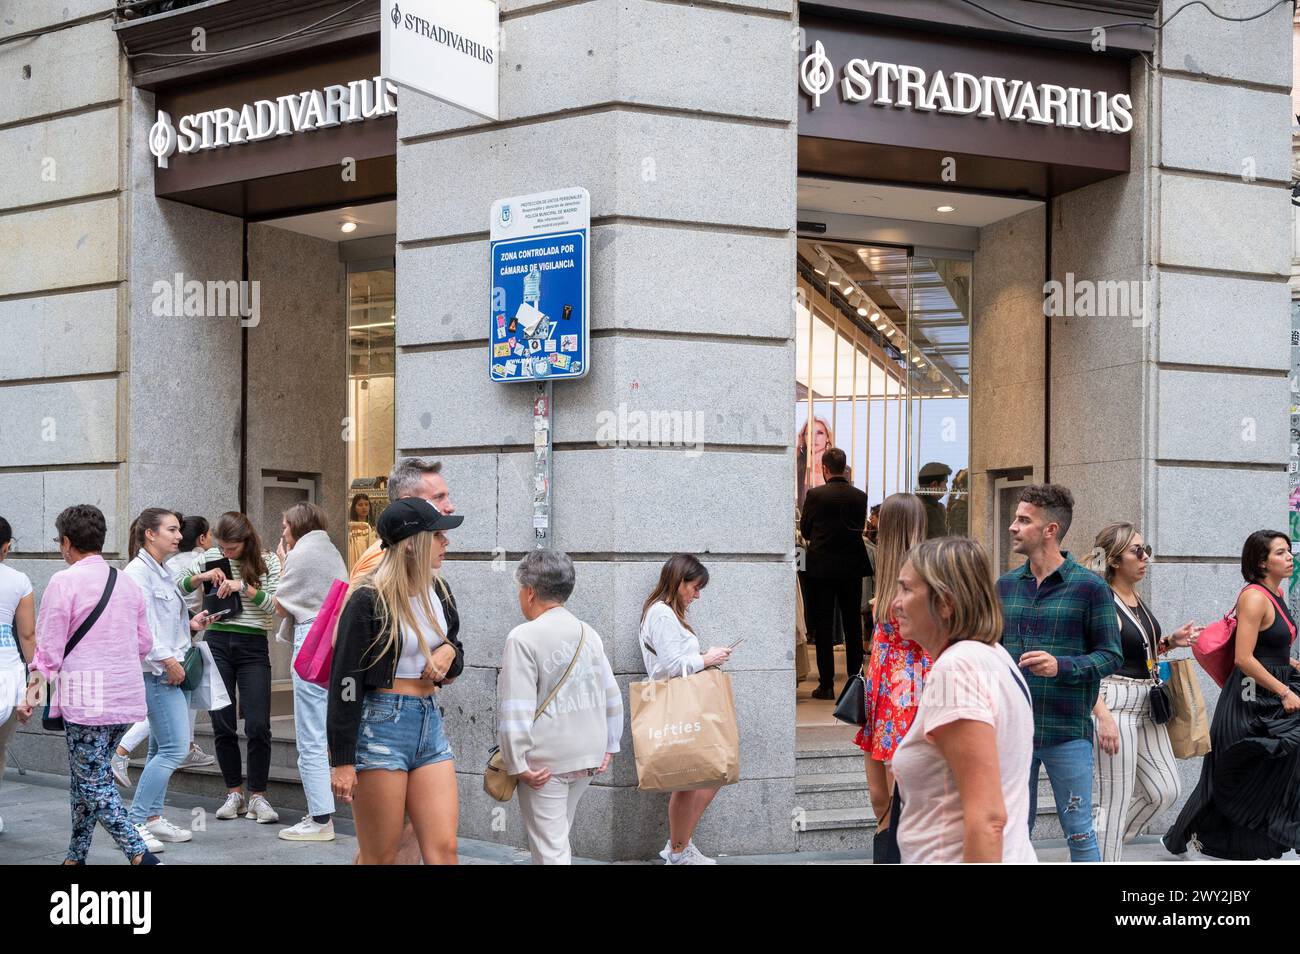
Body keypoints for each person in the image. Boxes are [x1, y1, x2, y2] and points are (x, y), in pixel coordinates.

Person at [328, 498, 465, 864]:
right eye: (437, 535)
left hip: (429, 721)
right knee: (380, 857)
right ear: (410, 544)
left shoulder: (441, 593)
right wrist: (342, 760)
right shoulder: (368, 598)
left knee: (444, 850)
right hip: (379, 726)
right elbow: (346, 682)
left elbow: (456, 654)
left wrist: (449, 653)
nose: (445, 543)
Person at [25, 505, 159, 864]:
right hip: (125, 694)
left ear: (67, 542)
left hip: (85, 695)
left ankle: (139, 853)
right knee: (86, 777)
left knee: (92, 781)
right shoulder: (127, 582)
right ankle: (75, 856)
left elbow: (49, 652)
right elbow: (144, 643)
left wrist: (31, 696)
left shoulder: (63, 581)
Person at [891, 537, 1037, 863]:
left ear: (945, 603)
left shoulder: (957, 667)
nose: (895, 603)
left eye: (906, 589)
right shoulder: (993, 656)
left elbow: (988, 819)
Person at [997, 484, 1122, 862]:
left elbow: (1110, 656)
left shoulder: (1090, 587)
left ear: (1050, 529)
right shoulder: (1004, 587)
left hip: (1066, 732)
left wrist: (1061, 666)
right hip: (1012, 733)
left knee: (1080, 834)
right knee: (1013, 833)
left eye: (1023, 520)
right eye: (1015, 519)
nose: (1012, 527)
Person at [1164, 530, 1300, 860]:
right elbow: (1243, 657)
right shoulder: (1254, 597)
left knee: (1271, 763)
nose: (1289, 557)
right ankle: (1195, 835)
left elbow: (1270, 646)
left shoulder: (1276, 593)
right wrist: (1283, 689)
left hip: (1270, 691)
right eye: (1281, 553)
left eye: (1288, 551)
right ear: (1261, 562)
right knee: (1233, 768)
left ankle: (1269, 832)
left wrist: (1289, 663)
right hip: (1250, 699)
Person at [497, 550, 622, 864]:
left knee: (551, 849)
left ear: (530, 592)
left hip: (544, 762)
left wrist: (517, 762)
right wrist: (610, 743)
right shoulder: (588, 633)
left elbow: (516, 707)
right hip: (589, 753)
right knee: (556, 837)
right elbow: (611, 693)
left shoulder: (523, 637)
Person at [1085, 522, 1197, 862]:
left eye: (1145, 549)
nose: (1146, 556)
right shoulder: (1103, 600)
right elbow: (1088, 661)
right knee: (1113, 799)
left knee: (1165, 790)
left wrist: (1167, 643)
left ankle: (1095, 843)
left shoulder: (1135, 598)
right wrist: (1101, 714)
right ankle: (1104, 855)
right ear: (1115, 560)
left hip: (1148, 701)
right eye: (1137, 551)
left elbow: (1133, 650)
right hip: (1113, 701)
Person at [177, 511, 282, 823]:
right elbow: (180, 585)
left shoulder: (267, 561)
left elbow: (276, 605)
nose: (225, 554)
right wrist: (201, 578)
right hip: (218, 642)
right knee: (222, 722)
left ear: (245, 541)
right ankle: (233, 793)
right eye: (222, 548)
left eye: (231, 549)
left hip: (253, 646)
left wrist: (243, 587)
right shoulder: (211, 555)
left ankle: (258, 797)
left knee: (258, 723)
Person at [123, 509, 214, 853]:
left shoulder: (160, 570)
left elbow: (160, 621)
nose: (179, 536)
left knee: (163, 748)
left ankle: (152, 818)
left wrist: (190, 626)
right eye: (171, 530)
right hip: (159, 673)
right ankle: (134, 822)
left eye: (178, 530)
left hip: (168, 670)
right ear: (150, 533)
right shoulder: (137, 573)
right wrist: (167, 660)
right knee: (176, 748)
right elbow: (142, 629)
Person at [639, 553, 731, 865]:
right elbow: (670, 665)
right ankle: (678, 851)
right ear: (679, 583)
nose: (697, 593)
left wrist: (703, 656)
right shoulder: (663, 615)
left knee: (707, 774)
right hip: (676, 705)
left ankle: (680, 845)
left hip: (683, 704)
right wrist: (709, 658)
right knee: (689, 781)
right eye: (694, 586)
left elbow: (674, 660)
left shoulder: (665, 613)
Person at [855, 492, 929, 862]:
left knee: (898, 803)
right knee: (881, 800)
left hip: (906, 692)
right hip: (885, 692)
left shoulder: (924, 575)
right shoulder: (890, 575)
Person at [273, 502, 347, 842]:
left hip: (310, 640)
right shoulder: (329, 548)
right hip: (335, 641)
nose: (283, 531)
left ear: (297, 526)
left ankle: (320, 819)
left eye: (286, 525)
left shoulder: (301, 554)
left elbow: (279, 603)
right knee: (324, 728)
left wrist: (283, 562)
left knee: (310, 734)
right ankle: (321, 813)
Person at [799, 447, 871, 700]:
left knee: (824, 626)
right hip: (851, 566)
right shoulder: (859, 496)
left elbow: (806, 531)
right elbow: (859, 527)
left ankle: (826, 685)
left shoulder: (815, 495)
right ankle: (854, 683)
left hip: (822, 567)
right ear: (844, 467)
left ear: (824, 469)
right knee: (852, 625)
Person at [0, 516, 35, 837]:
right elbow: (27, 637)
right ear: (6, 547)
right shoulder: (18, 580)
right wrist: (33, 687)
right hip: (8, 679)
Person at [796, 416, 833, 507]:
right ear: (803, 437)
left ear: (828, 437)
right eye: (809, 433)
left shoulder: (844, 470)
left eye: (820, 433)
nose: (814, 438)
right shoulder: (796, 466)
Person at [918, 461, 951, 539]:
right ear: (934, 485)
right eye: (945, 483)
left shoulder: (913, 505)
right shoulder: (927, 510)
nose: (946, 488)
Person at [348, 494, 378, 568]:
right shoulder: (350, 528)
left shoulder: (374, 529)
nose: (364, 507)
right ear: (354, 508)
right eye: (360, 505)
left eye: (366, 504)